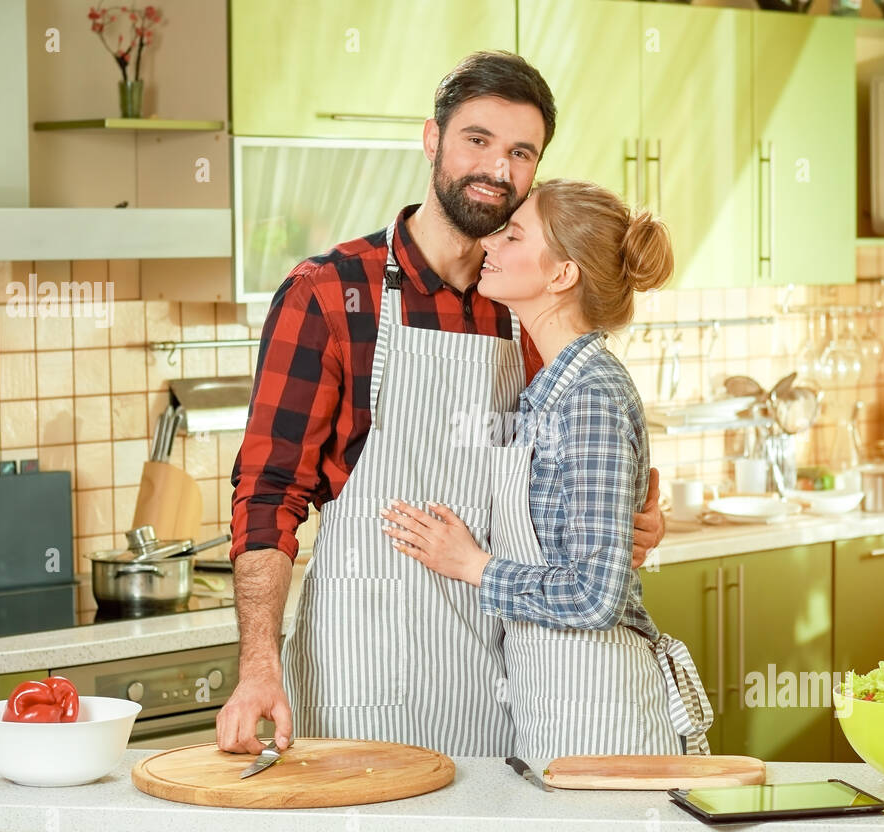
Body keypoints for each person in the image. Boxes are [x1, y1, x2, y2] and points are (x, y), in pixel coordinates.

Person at [217, 51, 667, 757]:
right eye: (477, 140)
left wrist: (627, 520)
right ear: (433, 140)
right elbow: (268, 490)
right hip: (362, 668)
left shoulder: (525, 304)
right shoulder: (332, 294)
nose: (497, 169)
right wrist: (257, 664)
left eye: (521, 152)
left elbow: (574, 476)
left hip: (505, 678)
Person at [381, 180, 712, 763]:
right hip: (555, 697)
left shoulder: (590, 396)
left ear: (561, 276)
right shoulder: (549, 388)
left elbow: (595, 597)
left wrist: (473, 565)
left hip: (603, 706)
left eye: (513, 235)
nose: (492, 245)